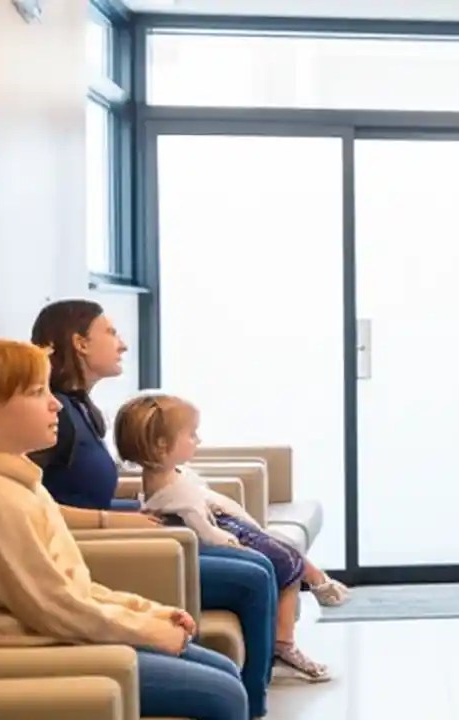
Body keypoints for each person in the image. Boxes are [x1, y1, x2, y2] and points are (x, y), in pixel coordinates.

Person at [0, 336, 249, 720]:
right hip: (40, 656)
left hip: (64, 638)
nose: (55, 404)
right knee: (221, 694)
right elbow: (54, 607)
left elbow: (72, 587)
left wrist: (146, 611)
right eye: (39, 392)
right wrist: (146, 630)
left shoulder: (14, 483)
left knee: (223, 672)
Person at [28, 299, 277, 716]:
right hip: (94, 551)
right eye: (110, 333)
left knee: (257, 564)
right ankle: (253, 705)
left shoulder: (80, 410)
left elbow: (76, 495)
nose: (122, 344)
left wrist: (147, 511)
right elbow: (43, 507)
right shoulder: (56, 418)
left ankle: (259, 687)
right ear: (79, 343)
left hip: (105, 535)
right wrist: (115, 519)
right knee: (251, 578)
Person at [115, 393, 348, 682]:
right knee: (285, 562)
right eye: (191, 434)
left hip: (224, 523)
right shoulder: (176, 495)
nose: (197, 440)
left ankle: (313, 588)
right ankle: (289, 636)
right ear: (162, 445)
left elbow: (207, 501)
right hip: (221, 534)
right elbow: (207, 532)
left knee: (285, 551)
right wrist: (239, 546)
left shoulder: (176, 476)